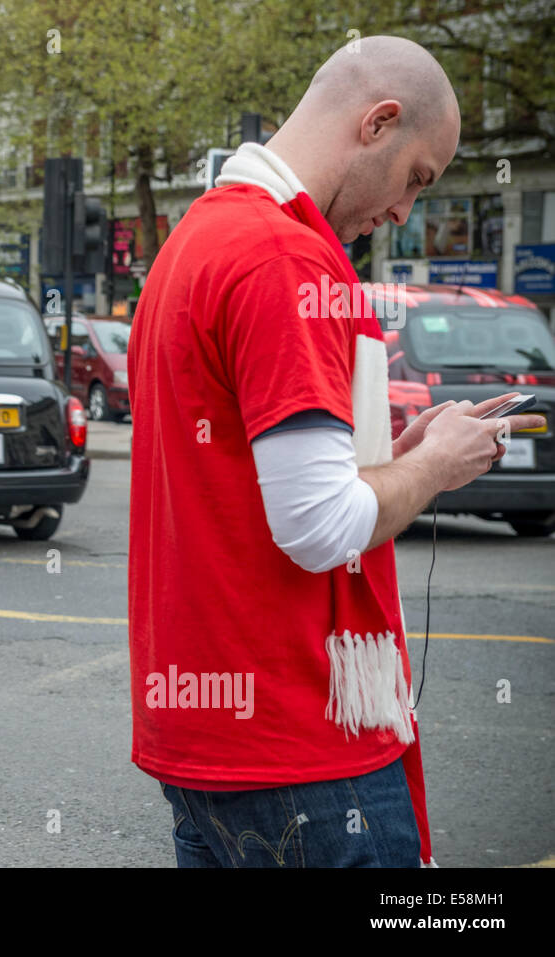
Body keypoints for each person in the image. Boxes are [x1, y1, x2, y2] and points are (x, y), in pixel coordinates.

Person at [127, 36, 547, 868]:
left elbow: (240, 478)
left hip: (205, 739)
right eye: (416, 177)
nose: (405, 212)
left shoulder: (194, 241)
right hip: (303, 744)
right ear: (377, 122)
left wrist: (398, 455)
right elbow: (319, 525)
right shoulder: (285, 256)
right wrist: (435, 465)